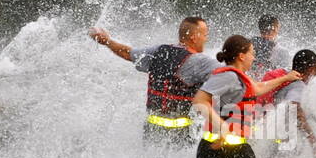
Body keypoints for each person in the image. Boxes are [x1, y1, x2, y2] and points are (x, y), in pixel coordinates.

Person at [189, 35, 302, 158]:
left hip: (234, 148)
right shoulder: (228, 76)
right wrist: (223, 127)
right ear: (241, 56)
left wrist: (286, 78)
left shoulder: (241, 77)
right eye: (252, 53)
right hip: (217, 149)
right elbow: (199, 100)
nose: (254, 57)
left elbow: (258, 88)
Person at [89, 16, 219, 147]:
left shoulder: (159, 51)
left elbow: (128, 53)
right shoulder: (199, 62)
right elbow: (230, 75)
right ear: (193, 37)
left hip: (152, 130)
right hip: (180, 136)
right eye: (205, 34)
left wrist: (107, 41)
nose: (206, 39)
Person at [266, 49, 316, 158]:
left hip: (272, 133)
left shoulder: (285, 76)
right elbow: (294, 108)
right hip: (285, 138)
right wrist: (314, 142)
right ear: (311, 69)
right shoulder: (298, 85)